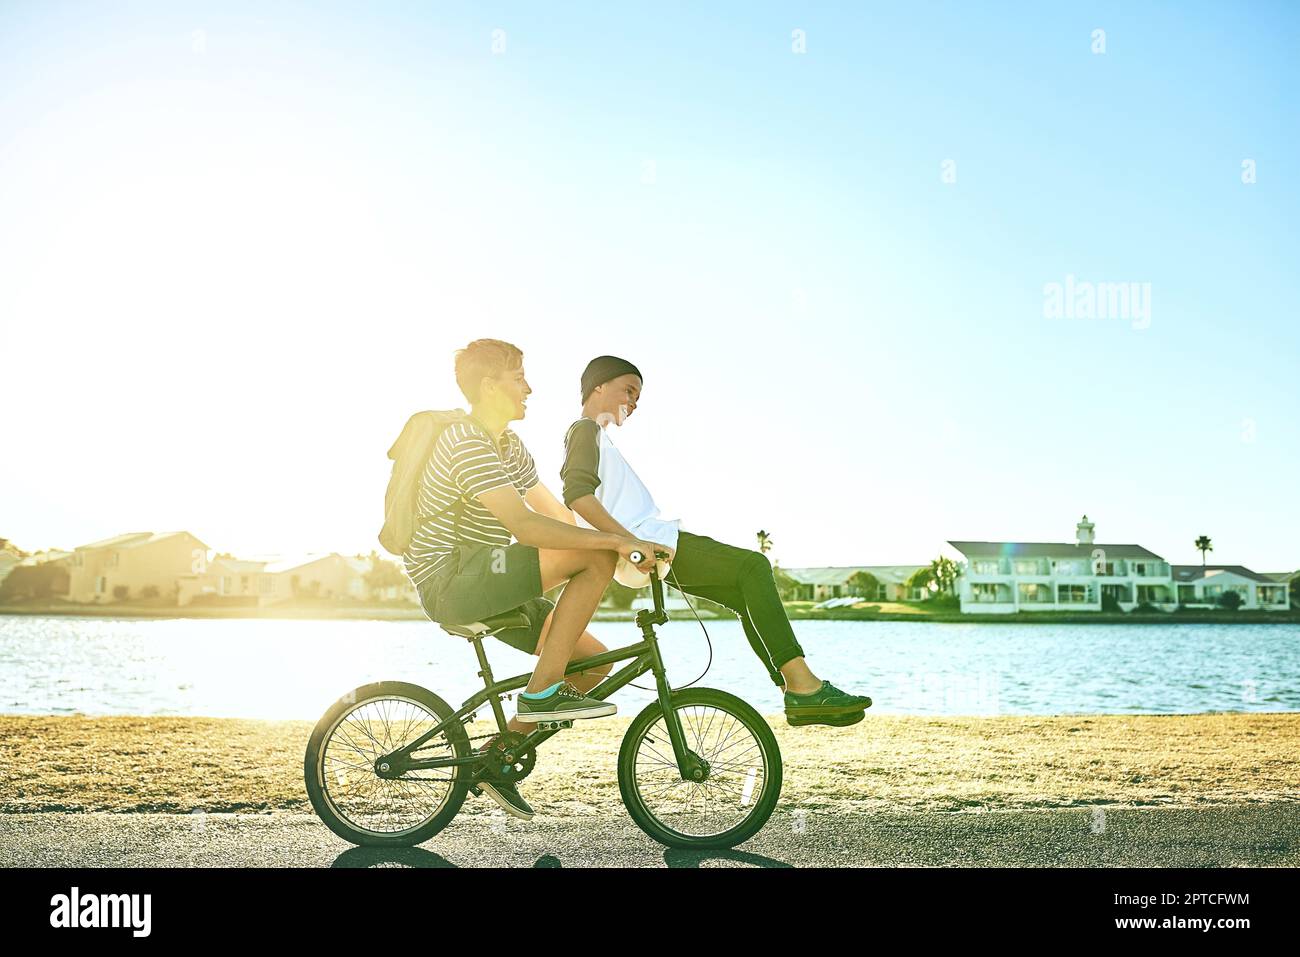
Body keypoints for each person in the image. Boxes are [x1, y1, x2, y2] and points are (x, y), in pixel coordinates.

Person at [404, 339, 660, 820]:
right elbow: (525, 527)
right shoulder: (464, 440)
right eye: (519, 377)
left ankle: (498, 758)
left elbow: (558, 515)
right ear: (488, 385)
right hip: (454, 577)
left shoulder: (509, 446)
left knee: (591, 663)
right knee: (595, 560)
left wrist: (631, 541)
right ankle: (541, 693)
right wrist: (612, 546)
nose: (530, 388)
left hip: (493, 574)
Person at [559, 355, 873, 728]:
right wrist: (630, 543)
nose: (635, 401)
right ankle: (802, 686)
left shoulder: (598, 438)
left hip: (648, 548)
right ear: (598, 385)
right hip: (650, 545)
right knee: (753, 566)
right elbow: (577, 495)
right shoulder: (585, 431)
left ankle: (798, 687)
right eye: (629, 390)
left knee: (744, 594)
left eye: (638, 395)